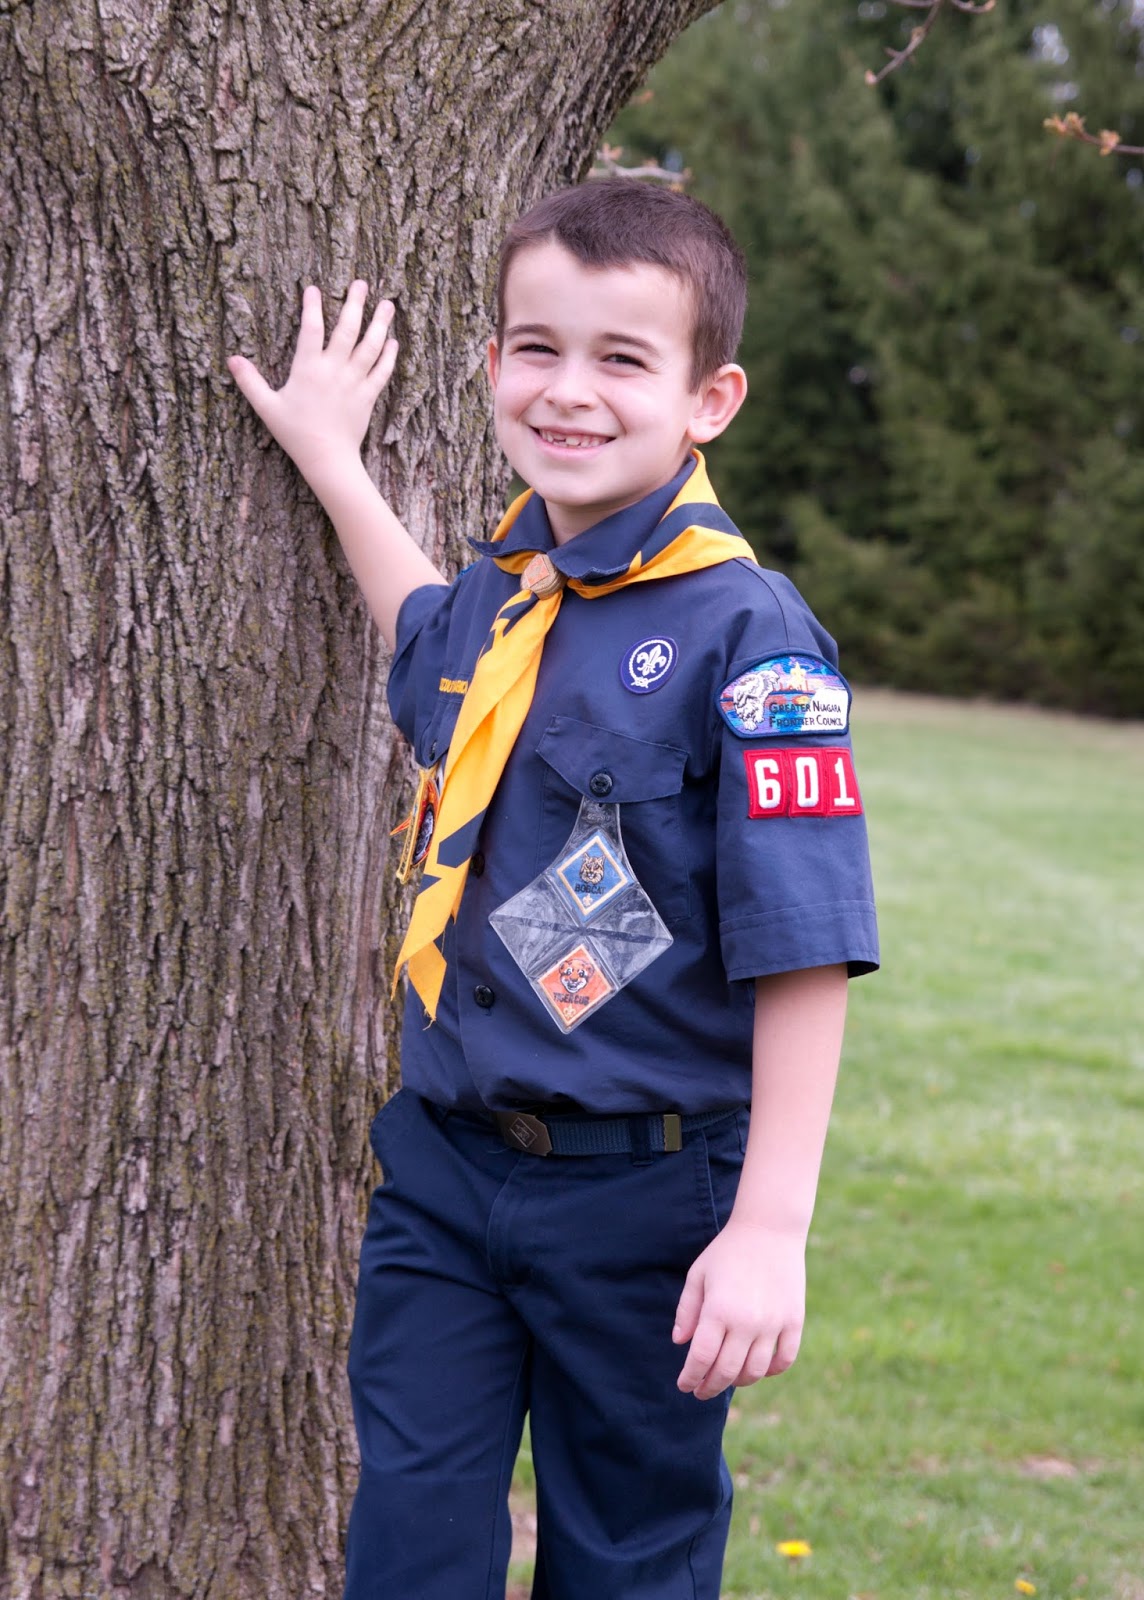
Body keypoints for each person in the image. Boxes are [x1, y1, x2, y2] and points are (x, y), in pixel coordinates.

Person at [228, 178, 879, 1600]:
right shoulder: (514, 590)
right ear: (490, 368)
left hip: (649, 1194)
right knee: (408, 1544)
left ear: (713, 399)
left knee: (627, 1561)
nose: (568, 391)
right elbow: (424, 648)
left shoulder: (750, 637)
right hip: (448, 1175)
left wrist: (770, 1229)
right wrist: (337, 463)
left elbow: (806, 945)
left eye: (621, 360)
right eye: (538, 347)